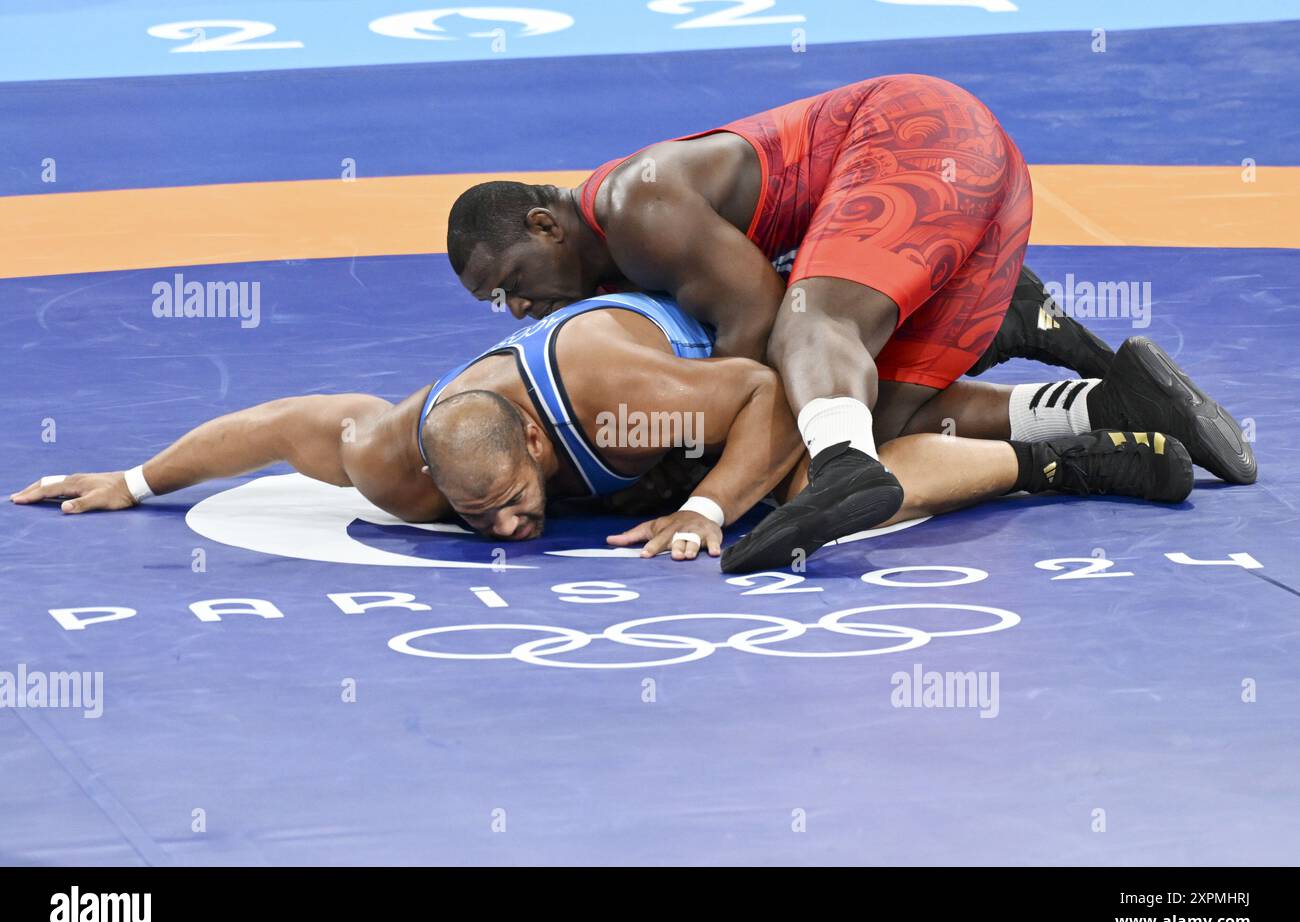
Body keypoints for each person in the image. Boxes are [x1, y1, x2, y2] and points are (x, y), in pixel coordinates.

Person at [446, 75, 1255, 572]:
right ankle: (1108, 409)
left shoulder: (634, 205)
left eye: (512, 282)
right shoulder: (617, 251)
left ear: (545, 225)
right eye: (499, 304)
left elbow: (760, 338)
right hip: (967, 198)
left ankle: (845, 470)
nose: (519, 309)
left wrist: (704, 487)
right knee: (877, 419)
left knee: (807, 334)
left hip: (921, 139)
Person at [13, 294, 1197, 566]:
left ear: (536, 447)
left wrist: (701, 504)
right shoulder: (393, 460)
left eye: (515, 505)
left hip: (738, 363)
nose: (513, 531)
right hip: (659, 432)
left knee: (846, 463)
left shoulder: (607, 395)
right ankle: (1067, 414)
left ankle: (1067, 417)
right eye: (485, 522)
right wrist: (136, 473)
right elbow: (275, 425)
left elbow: (762, 395)